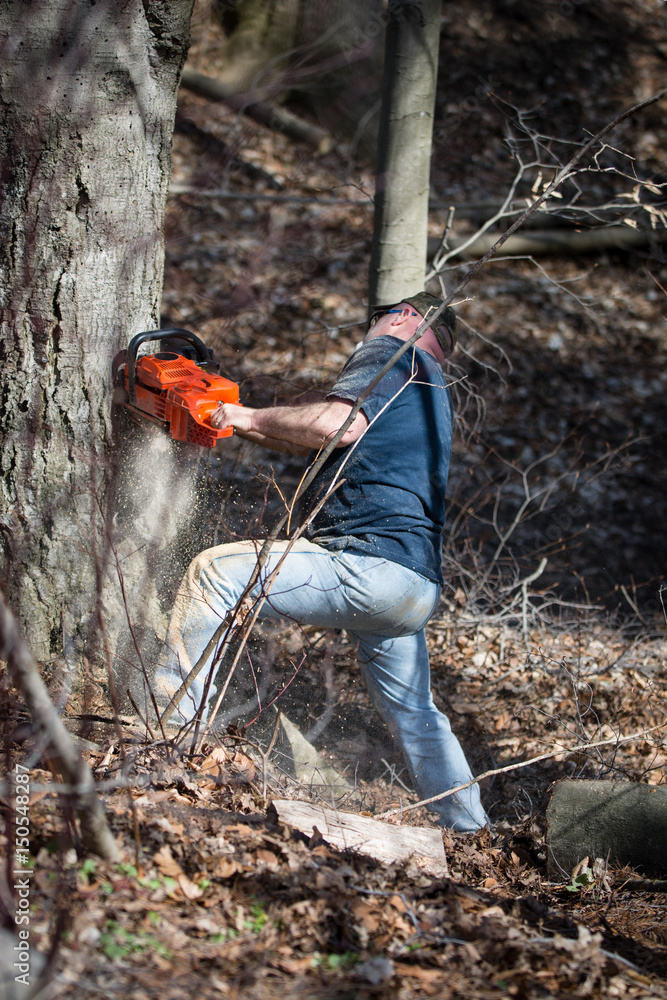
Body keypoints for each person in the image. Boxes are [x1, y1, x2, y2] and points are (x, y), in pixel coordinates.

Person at [155, 292, 487, 831]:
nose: (371, 327)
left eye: (378, 317)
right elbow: (327, 436)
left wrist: (244, 412)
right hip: (412, 586)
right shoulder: (428, 392)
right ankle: (470, 827)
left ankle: (169, 744)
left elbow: (339, 424)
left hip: (364, 564)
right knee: (418, 714)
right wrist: (239, 421)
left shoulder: (392, 353)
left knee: (212, 573)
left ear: (405, 318)